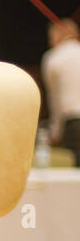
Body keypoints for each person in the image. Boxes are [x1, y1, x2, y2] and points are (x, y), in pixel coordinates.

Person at [42, 18, 80, 164]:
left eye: (51, 37)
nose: (51, 42)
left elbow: (54, 98)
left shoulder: (53, 58)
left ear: (59, 36)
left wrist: (55, 130)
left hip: (73, 122)